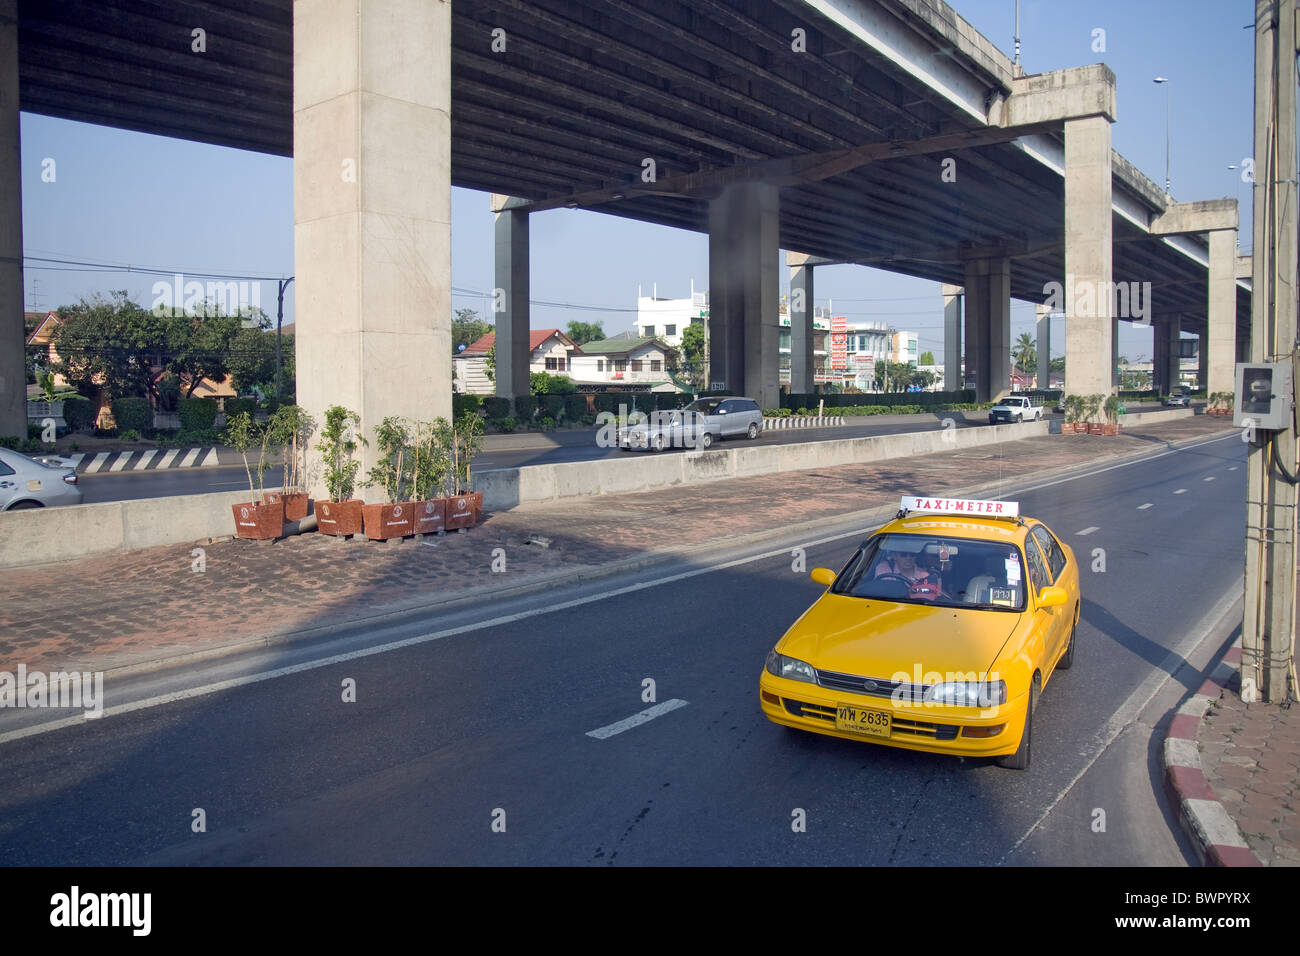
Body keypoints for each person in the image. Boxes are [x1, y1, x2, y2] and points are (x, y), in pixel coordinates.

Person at [873, 545, 941, 597]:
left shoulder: (924, 575)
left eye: (912, 555)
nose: (908, 558)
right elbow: (880, 591)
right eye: (903, 555)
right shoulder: (883, 568)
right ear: (894, 556)